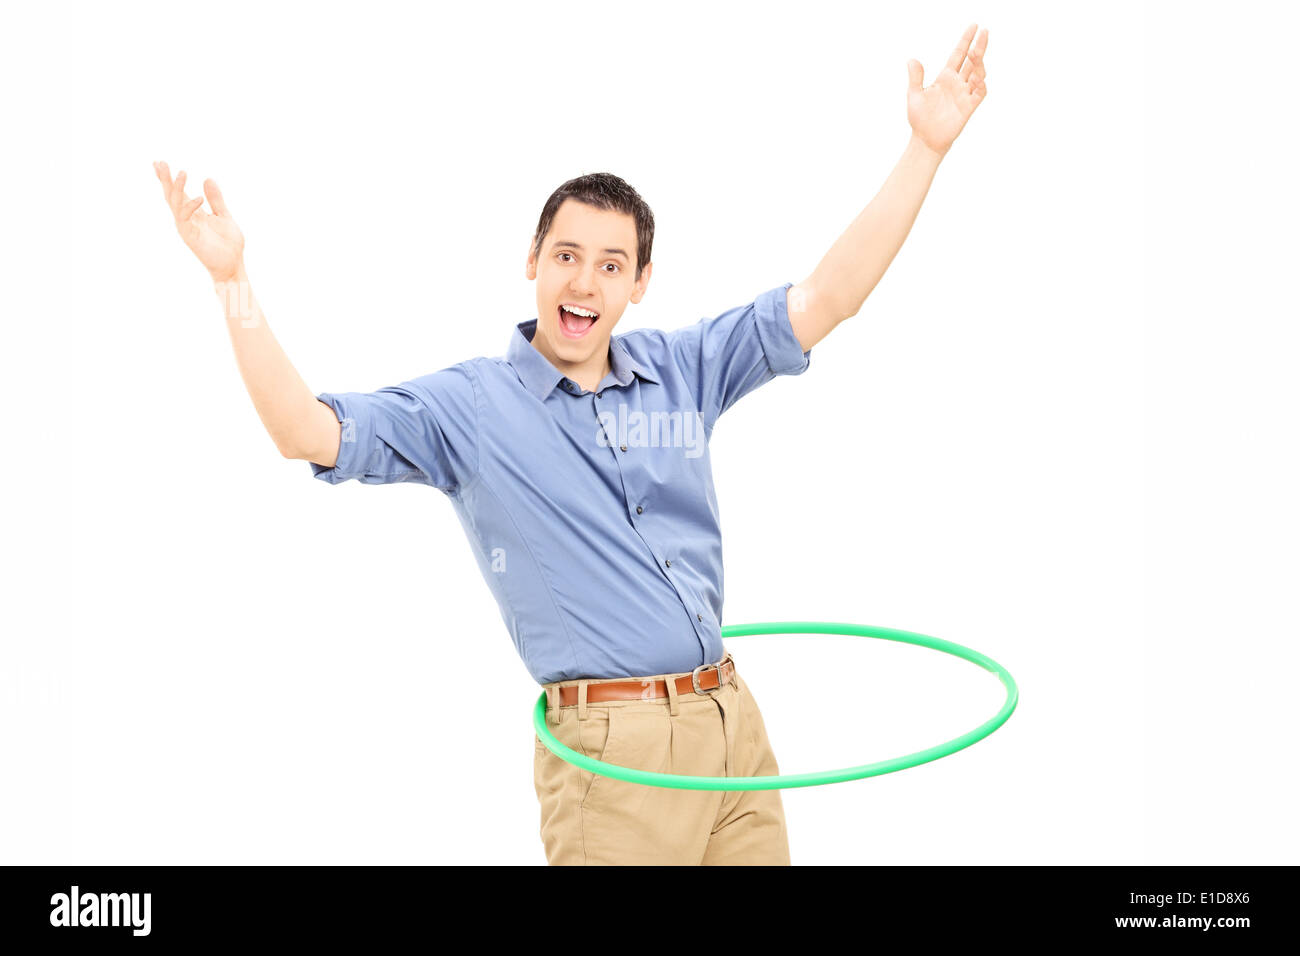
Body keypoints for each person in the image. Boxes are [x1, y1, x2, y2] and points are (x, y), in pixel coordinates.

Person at [152, 24, 988, 865]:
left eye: (611, 264)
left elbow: (831, 295)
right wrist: (233, 283)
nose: (584, 281)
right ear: (534, 263)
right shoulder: (471, 408)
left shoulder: (685, 367)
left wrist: (924, 148)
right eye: (566, 256)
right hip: (613, 757)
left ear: (639, 282)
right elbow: (305, 430)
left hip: (732, 724)